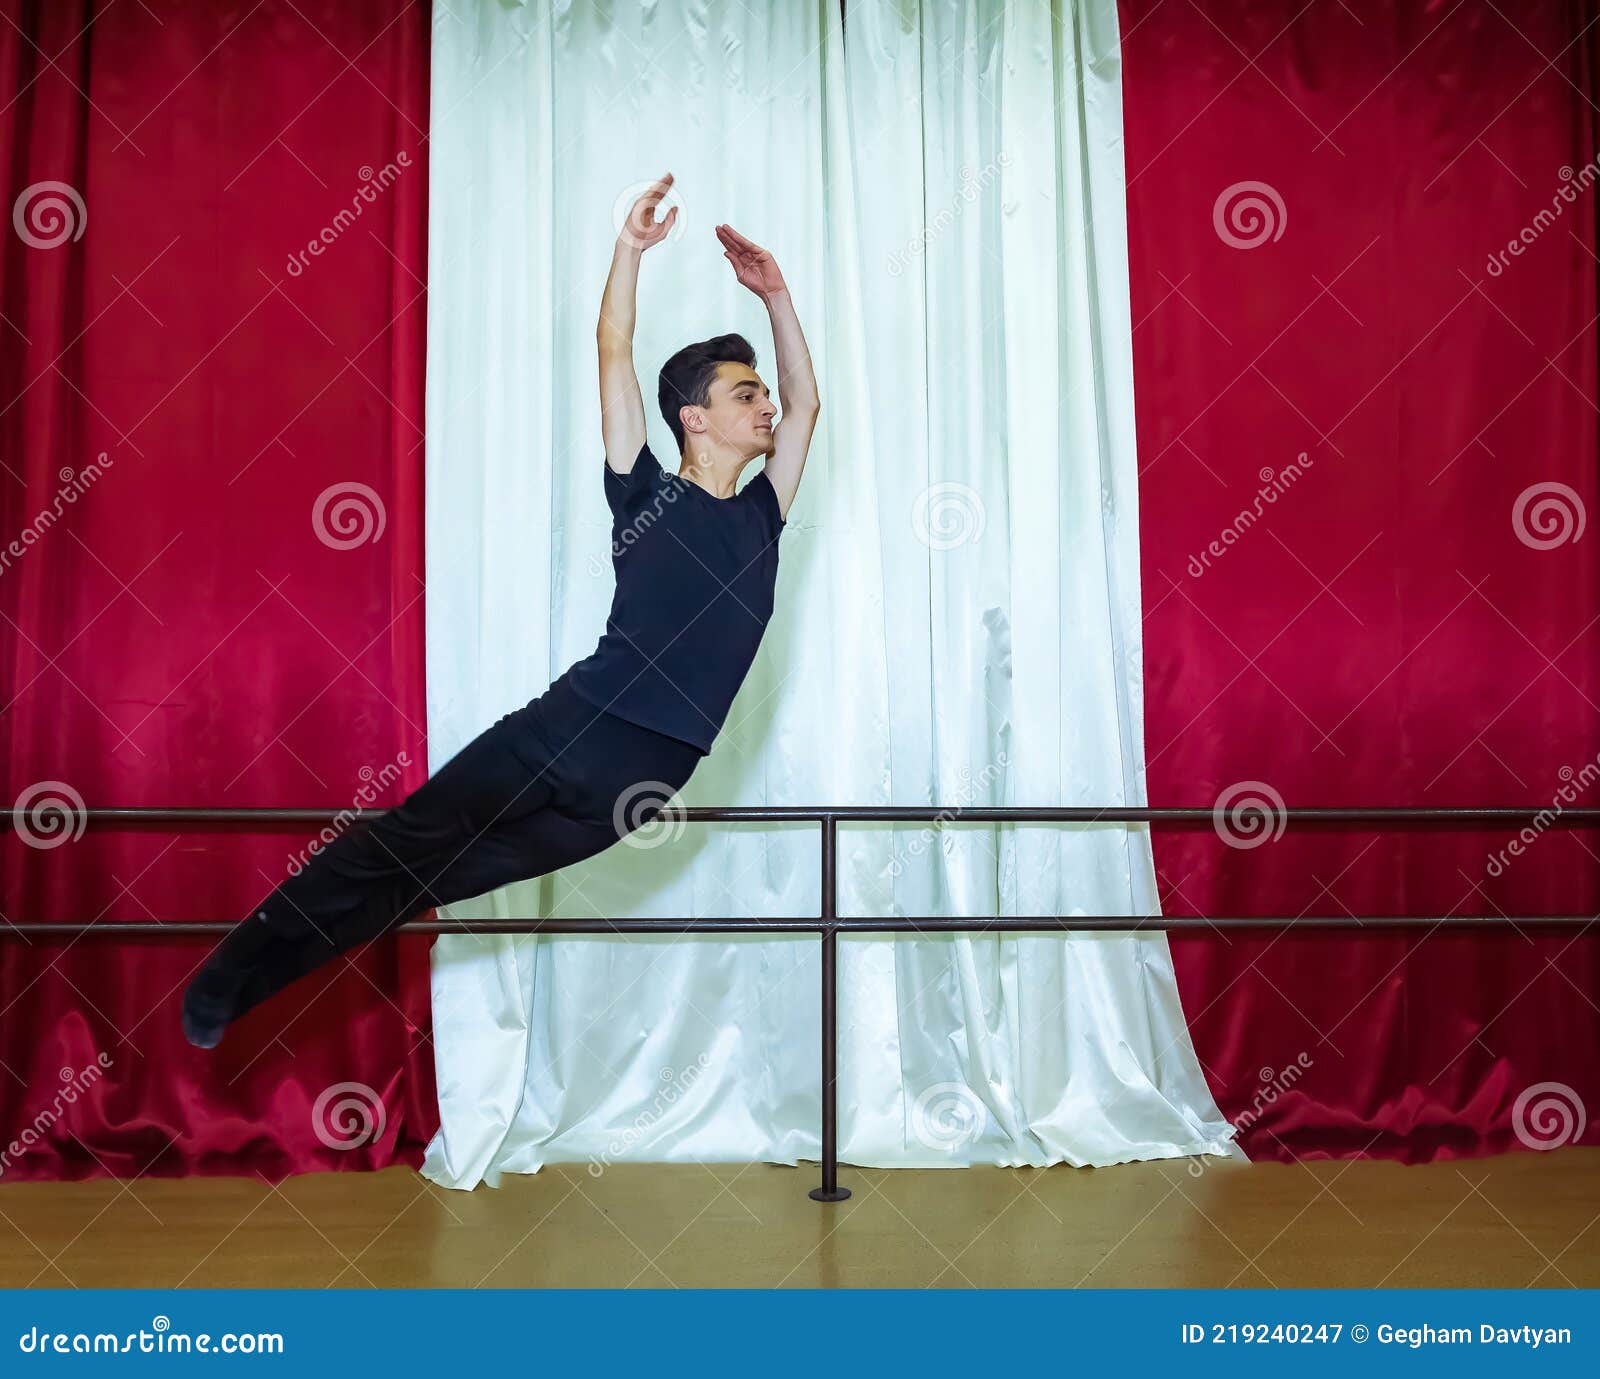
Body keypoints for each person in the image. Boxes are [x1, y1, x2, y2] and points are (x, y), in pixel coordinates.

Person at [181, 172, 819, 1048]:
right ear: (694, 418)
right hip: (576, 727)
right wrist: (628, 249)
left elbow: (808, 402)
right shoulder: (643, 492)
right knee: (403, 842)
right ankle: (234, 972)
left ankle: (250, 981)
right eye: (747, 393)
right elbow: (612, 345)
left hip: (642, 785)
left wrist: (776, 295)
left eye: (763, 393)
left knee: (428, 880)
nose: (768, 404)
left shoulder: (761, 517)